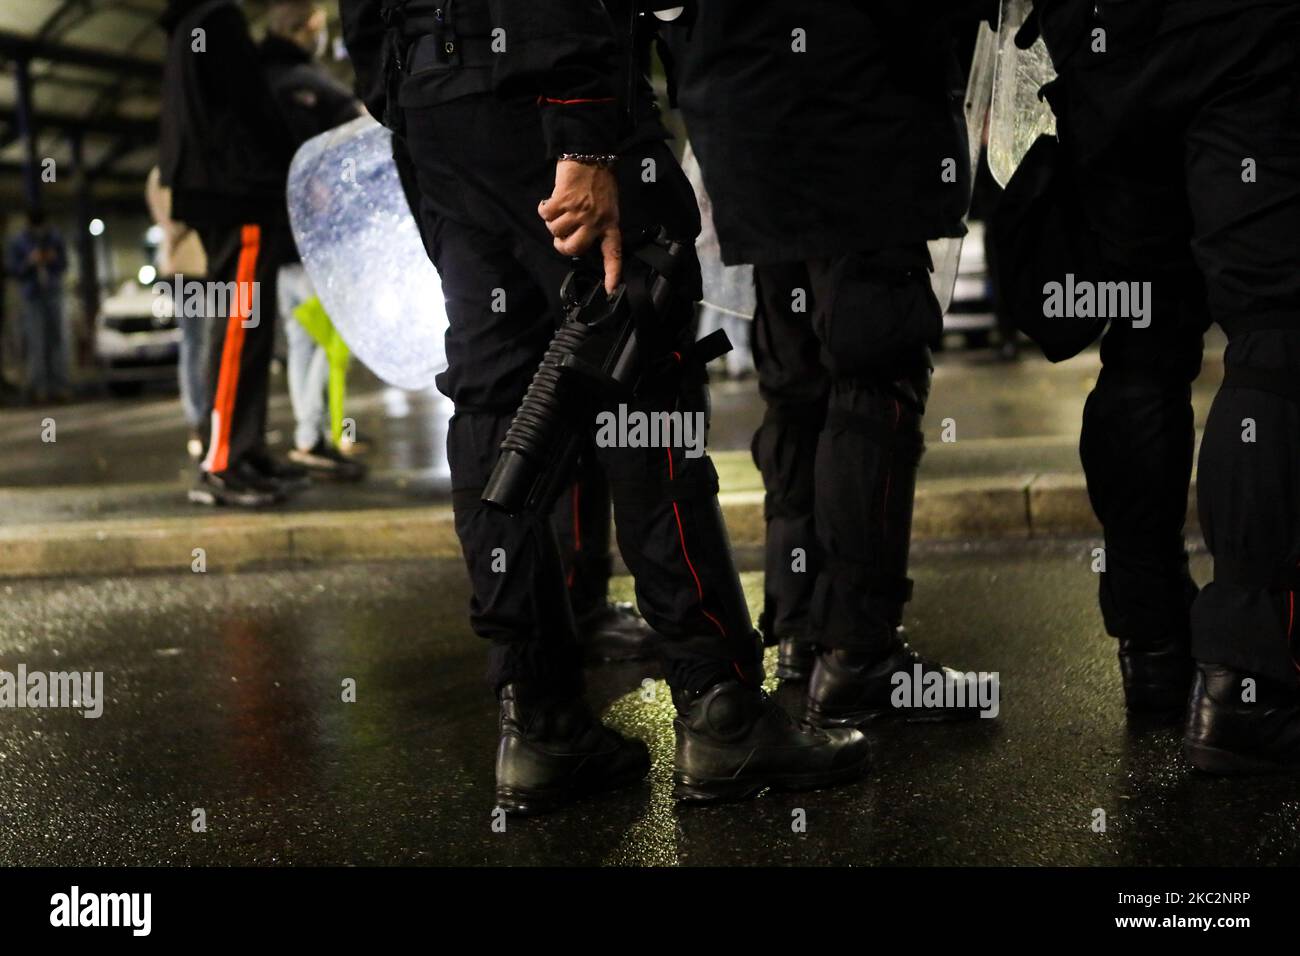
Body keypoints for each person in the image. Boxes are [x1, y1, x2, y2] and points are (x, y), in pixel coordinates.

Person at [342, 0, 870, 813]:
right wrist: (584, 129)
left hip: (433, 104)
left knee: (491, 402)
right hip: (547, 88)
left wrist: (407, 92)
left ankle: (539, 719)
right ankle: (720, 709)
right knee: (640, 372)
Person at [664, 2, 997, 723]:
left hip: (742, 111)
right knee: (874, 370)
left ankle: (802, 632)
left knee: (797, 377)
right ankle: (859, 653)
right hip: (857, 101)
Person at [1032, 0, 1300, 770]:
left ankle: (1153, 648)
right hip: (1238, 26)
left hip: (1100, 36)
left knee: (1143, 337)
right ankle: (1249, 681)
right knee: (1274, 326)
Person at [158, 0, 309, 507]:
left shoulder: (187, 26)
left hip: (218, 190)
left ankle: (243, 449)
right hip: (235, 191)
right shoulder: (216, 20)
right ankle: (222, 461)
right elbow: (253, 106)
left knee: (247, 328)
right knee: (239, 329)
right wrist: (294, 159)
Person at [260, 0, 368, 482]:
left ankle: (307, 437)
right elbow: (351, 139)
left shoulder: (256, 82)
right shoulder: (310, 88)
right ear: (307, 30)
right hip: (315, 244)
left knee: (303, 342)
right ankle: (317, 437)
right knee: (333, 343)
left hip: (273, 243)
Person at [146, 166, 210, 458]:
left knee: (201, 344)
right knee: (197, 344)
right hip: (186, 269)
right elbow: (171, 222)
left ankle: (205, 415)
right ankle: (199, 418)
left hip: (203, 267)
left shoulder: (169, 171)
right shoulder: (165, 173)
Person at [5, 210, 69, 405]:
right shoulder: (19, 241)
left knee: (56, 339)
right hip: (32, 295)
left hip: (53, 292)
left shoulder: (54, 237)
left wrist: (52, 259)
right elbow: (13, 270)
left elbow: (64, 264)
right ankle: (38, 388)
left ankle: (59, 386)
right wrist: (29, 262)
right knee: (36, 341)